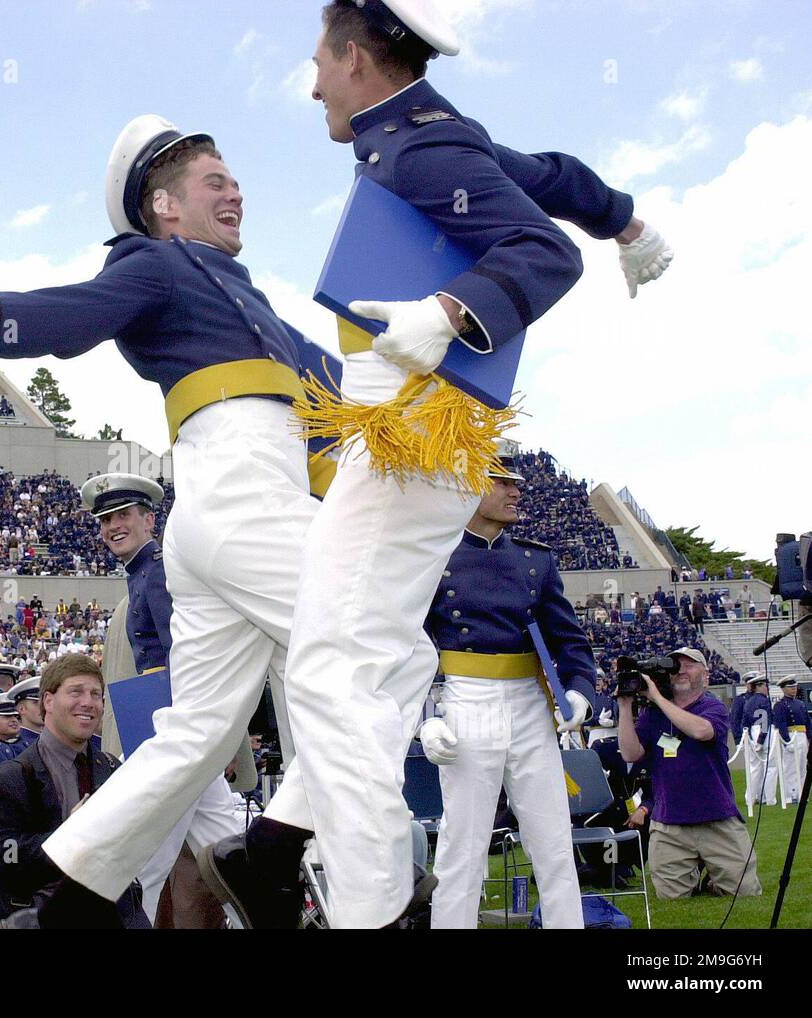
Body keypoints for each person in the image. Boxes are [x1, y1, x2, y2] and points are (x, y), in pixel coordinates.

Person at [204, 0, 671, 929]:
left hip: (412, 431)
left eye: (320, 62)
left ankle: (367, 897)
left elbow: (540, 248)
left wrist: (453, 311)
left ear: (357, 56)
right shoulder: (431, 134)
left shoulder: (418, 146)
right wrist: (626, 224)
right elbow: (554, 178)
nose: (310, 83)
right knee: (372, 655)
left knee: (331, 660)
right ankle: (277, 849)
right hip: (423, 436)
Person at [0, 112, 343, 926]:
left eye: (234, 178)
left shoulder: (245, 295)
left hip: (240, 507)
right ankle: (292, 856)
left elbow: (340, 388)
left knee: (193, 742)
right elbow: (61, 320)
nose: (237, 190)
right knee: (377, 650)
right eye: (215, 180)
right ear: (165, 206)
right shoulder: (156, 263)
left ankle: (61, 909)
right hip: (243, 492)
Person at [418, 448, 594, 928]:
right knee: (463, 847)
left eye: (516, 483)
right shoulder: (434, 557)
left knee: (554, 842)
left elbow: (571, 643)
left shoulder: (535, 561)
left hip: (531, 707)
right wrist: (424, 718)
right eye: (501, 482)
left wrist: (578, 694)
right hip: (465, 702)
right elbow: (405, 646)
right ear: (468, 487)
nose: (516, 491)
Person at [83, 471, 243, 928]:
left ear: (149, 519)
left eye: (123, 515)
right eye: (105, 519)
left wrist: (210, 731)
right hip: (178, 730)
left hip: (174, 732)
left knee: (148, 859)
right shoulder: (142, 573)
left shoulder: (156, 572)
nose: (113, 526)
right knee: (225, 849)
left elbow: (185, 659)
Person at [0, 654, 149, 929]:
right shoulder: (7, 779)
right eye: (75, 692)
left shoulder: (112, 769)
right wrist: (69, 834)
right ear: (48, 701)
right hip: (35, 913)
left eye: (95, 694)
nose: (88, 702)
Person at [617, 648, 760, 899]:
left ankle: (711, 878)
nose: (681, 669)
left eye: (689, 664)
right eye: (675, 665)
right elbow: (630, 753)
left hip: (717, 818)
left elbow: (701, 731)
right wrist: (625, 706)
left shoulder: (713, 707)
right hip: (669, 823)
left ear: (706, 675)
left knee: (744, 893)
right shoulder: (653, 715)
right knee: (670, 898)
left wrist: (658, 699)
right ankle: (696, 875)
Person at [741, 676, 778, 810]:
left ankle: (749, 798)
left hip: (751, 733)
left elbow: (744, 723)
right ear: (760, 686)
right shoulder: (764, 701)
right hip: (764, 733)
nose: (767, 689)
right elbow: (764, 721)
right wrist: (761, 740)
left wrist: (750, 739)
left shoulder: (748, 701)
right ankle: (769, 799)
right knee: (770, 768)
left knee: (754, 769)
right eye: (765, 686)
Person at [771, 677, 808, 806]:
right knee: (791, 767)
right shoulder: (781, 705)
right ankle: (791, 794)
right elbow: (781, 724)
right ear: (783, 689)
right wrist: (787, 741)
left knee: (803, 767)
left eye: (795, 687)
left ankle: (801, 793)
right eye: (790, 687)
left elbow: (807, 722)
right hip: (791, 735)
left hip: (801, 735)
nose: (794, 689)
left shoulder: (800, 703)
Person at [10, 677, 43, 749]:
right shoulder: (17, 746)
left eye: (44, 702)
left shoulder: (50, 739)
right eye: (36, 703)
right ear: (21, 709)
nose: (43, 707)